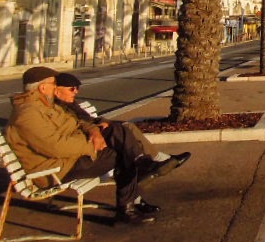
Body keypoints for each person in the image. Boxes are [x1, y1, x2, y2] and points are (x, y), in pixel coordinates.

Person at [7, 67, 179, 225]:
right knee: (122, 153)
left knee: (119, 133)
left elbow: (77, 122)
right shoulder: (28, 114)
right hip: (56, 170)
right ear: (42, 87)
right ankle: (130, 202)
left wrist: (94, 131)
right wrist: (92, 146)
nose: (57, 86)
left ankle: (135, 185)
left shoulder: (47, 106)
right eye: (54, 83)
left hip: (71, 159)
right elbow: (56, 147)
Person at [53, 72, 190, 179]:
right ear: (57, 91)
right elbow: (77, 124)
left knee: (126, 126)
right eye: (72, 89)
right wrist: (95, 128)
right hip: (88, 137)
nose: (76, 91)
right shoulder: (58, 108)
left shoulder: (71, 104)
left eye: (77, 88)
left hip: (94, 129)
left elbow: (87, 118)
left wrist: (102, 122)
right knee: (124, 141)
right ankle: (149, 162)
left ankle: (156, 159)